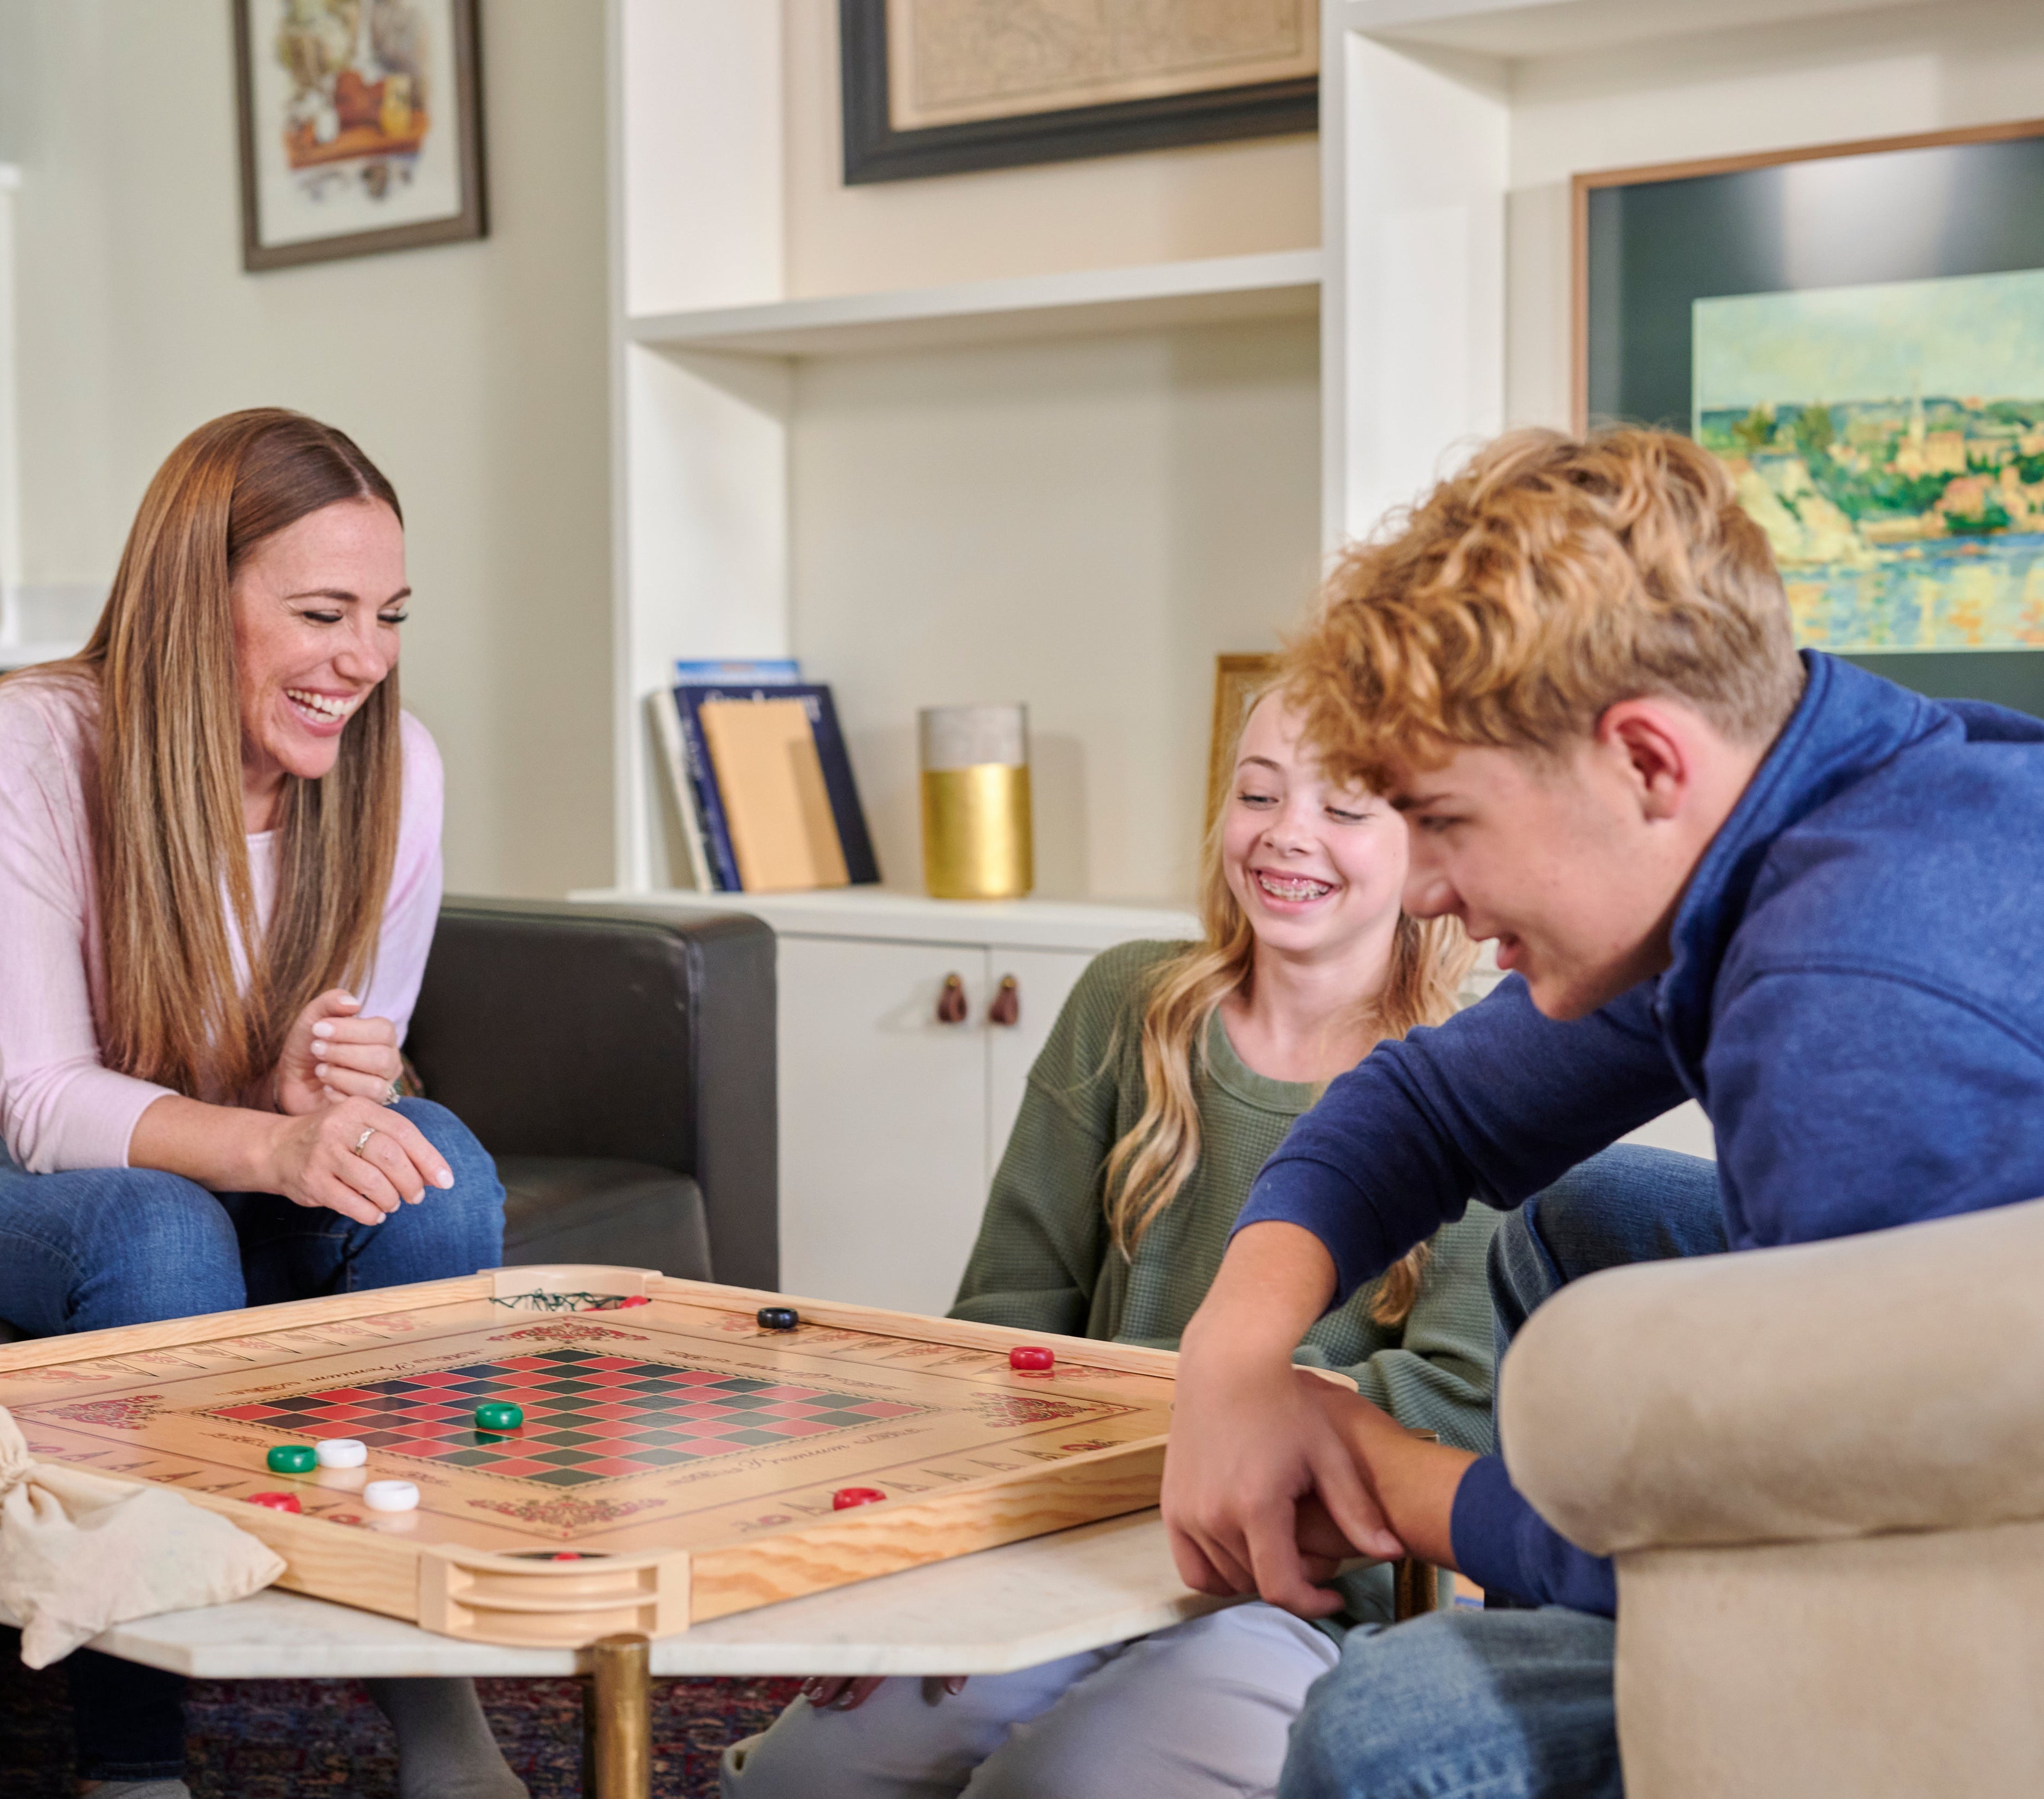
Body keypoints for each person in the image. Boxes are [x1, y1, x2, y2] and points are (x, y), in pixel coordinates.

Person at [1159, 427, 2044, 1798]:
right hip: (1955, 1360)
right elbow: (1432, 1106)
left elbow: (1791, 1529)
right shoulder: (1788, 785)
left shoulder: (1848, 1001)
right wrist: (1231, 1357)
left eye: (1441, 822)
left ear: (1642, 759)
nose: (1425, 889)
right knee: (1589, 1221)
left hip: (1982, 1560)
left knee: (1383, 1731)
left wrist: (1382, 1475)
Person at [719, 689, 1500, 1799]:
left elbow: (1454, 1400)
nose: (1286, 831)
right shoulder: (1126, 1001)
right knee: (798, 1780)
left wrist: (1223, 1431)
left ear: (1427, 842)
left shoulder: (1484, 1074)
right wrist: (936, 1562)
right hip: (1067, 1547)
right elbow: (1001, 1320)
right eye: (1258, 791)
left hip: (1310, 1608)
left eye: (1344, 807)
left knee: (1048, 1787)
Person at [0, 408, 520, 1799]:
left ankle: (433, 1691)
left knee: (441, 1172)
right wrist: (272, 1132)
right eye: (320, 612)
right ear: (200, 597)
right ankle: (131, 1761)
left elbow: (362, 1061)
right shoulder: (32, 741)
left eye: (388, 615)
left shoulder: (398, 769)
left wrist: (325, 1089)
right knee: (159, 1233)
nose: (363, 659)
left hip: (224, 1141)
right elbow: (46, 1100)